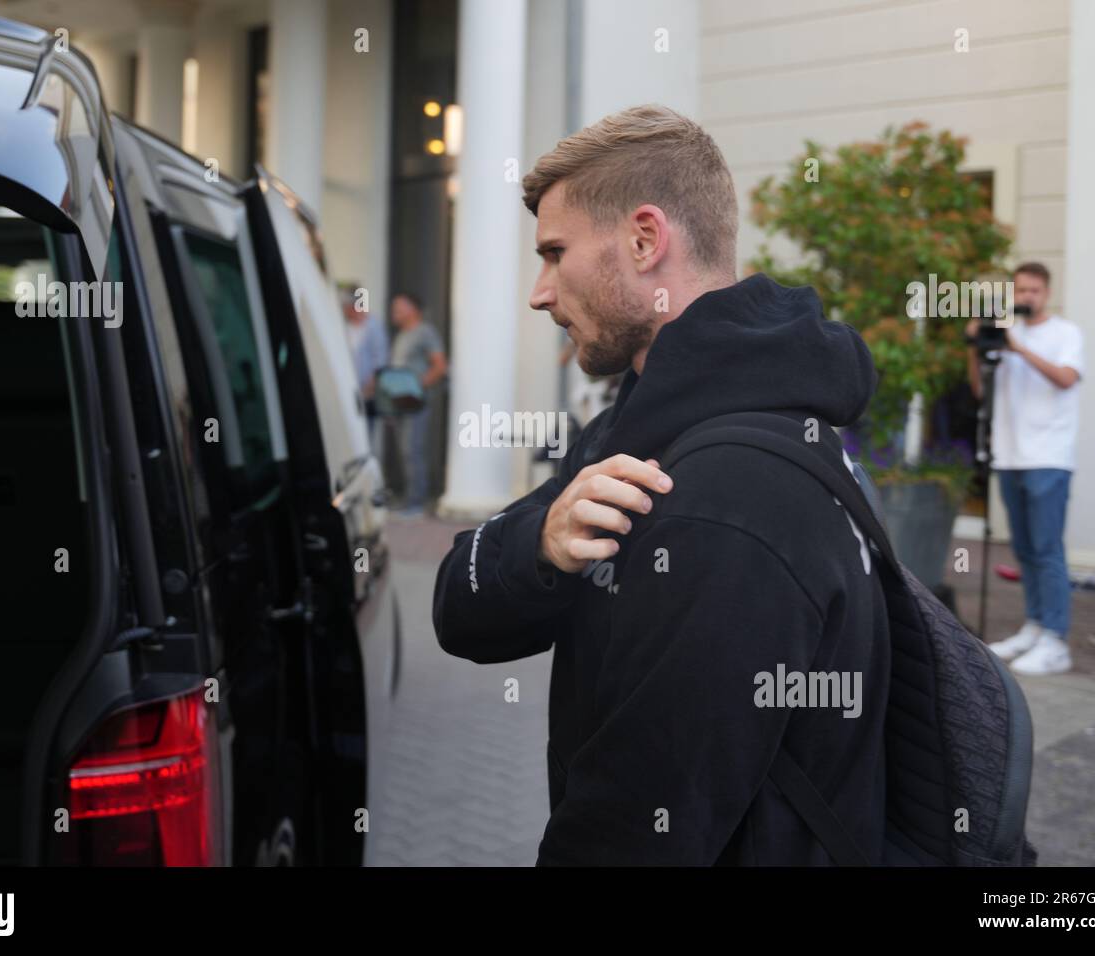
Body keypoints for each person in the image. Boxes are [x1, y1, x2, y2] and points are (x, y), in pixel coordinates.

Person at [432, 104, 889, 865]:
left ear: (644, 240)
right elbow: (459, 607)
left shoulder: (724, 502)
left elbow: (635, 833)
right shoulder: (640, 426)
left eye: (554, 252)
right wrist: (541, 546)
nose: (539, 293)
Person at [967, 263, 1084, 675]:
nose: (1027, 297)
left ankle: (1056, 639)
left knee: (1047, 548)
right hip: (1010, 455)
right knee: (1025, 548)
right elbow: (980, 391)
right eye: (1021, 290)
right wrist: (977, 344)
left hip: (1048, 457)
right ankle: (1035, 625)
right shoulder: (1004, 335)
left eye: (1034, 290)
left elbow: (1067, 378)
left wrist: (1020, 349)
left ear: (1047, 293)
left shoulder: (1065, 333)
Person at [384, 292, 447, 516]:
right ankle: (409, 498)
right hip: (398, 403)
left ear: (413, 309)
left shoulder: (425, 332)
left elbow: (440, 366)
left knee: (414, 450)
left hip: (415, 402)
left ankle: (417, 503)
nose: (395, 312)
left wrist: (416, 388)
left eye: (399, 307)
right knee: (404, 450)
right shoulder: (402, 334)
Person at [340, 282, 389, 464]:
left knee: (364, 439)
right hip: (347, 392)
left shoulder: (373, 326)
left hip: (366, 394)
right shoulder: (344, 326)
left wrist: (369, 387)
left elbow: (380, 360)